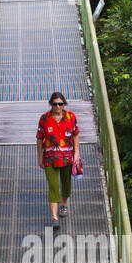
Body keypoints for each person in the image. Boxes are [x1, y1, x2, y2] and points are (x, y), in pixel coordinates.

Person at [36, 93, 80, 228]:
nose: (58, 107)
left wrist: (76, 154)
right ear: (51, 104)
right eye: (55, 104)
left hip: (67, 158)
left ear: (64, 104)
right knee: (53, 186)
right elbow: (39, 138)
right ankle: (54, 217)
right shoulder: (44, 119)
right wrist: (40, 157)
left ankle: (64, 204)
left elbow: (76, 134)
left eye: (60, 104)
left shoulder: (71, 117)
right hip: (50, 158)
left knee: (66, 184)